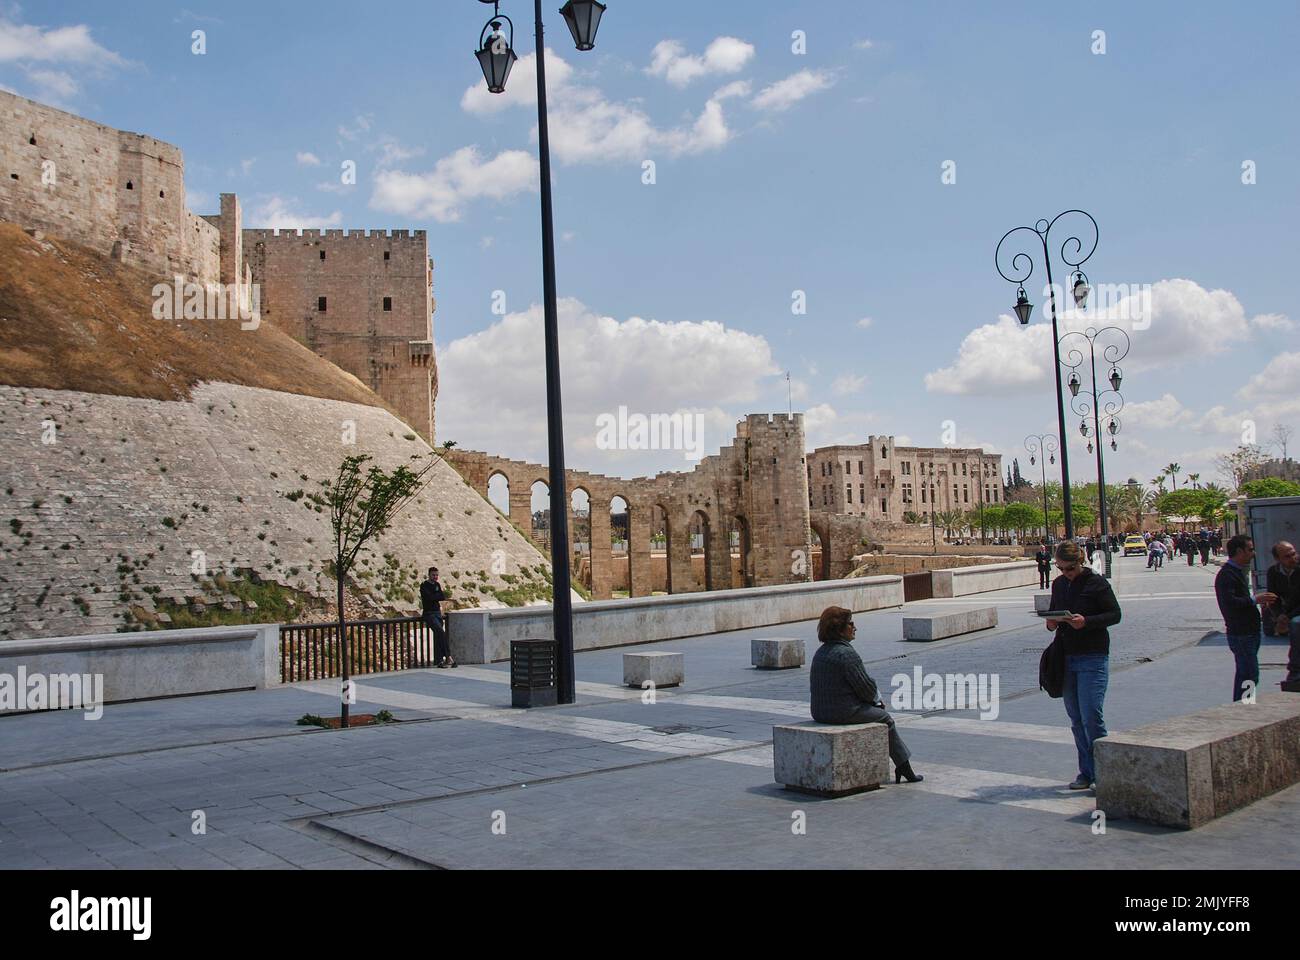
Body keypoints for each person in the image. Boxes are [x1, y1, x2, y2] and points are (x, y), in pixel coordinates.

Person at [810, 605, 923, 783]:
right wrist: (876, 702)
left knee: (876, 710)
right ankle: (904, 767)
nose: (855, 627)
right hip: (843, 712)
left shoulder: (820, 652)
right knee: (886, 718)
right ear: (840, 630)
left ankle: (901, 766)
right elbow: (866, 688)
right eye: (850, 624)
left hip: (820, 711)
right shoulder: (846, 654)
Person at [1045, 541, 1122, 790]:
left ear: (1080, 562)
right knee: (1076, 719)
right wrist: (1052, 622)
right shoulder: (1058, 585)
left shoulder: (1096, 583)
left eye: (1069, 568)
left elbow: (1114, 614)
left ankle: (1104, 774)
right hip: (1066, 657)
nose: (1065, 573)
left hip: (1092, 656)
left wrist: (1086, 621)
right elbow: (1053, 612)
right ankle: (1086, 772)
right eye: (1060, 568)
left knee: (1092, 717)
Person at [1213, 536, 1276, 702]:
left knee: (1246, 673)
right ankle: (1245, 706)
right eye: (1250, 549)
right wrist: (1255, 600)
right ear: (1239, 551)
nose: (1253, 553)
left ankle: (1242, 705)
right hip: (1241, 633)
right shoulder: (1227, 575)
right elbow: (1230, 603)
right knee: (1249, 673)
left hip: (1249, 631)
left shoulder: (1237, 571)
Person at [420, 566, 455, 668]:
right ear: (429, 575)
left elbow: (441, 597)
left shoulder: (437, 585)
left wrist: (434, 596)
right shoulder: (424, 585)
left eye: (436, 575)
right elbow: (429, 598)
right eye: (433, 575)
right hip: (429, 614)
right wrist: (435, 596)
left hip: (437, 613)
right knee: (441, 633)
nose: (435, 577)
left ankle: (439, 661)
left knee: (439, 636)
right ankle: (448, 657)